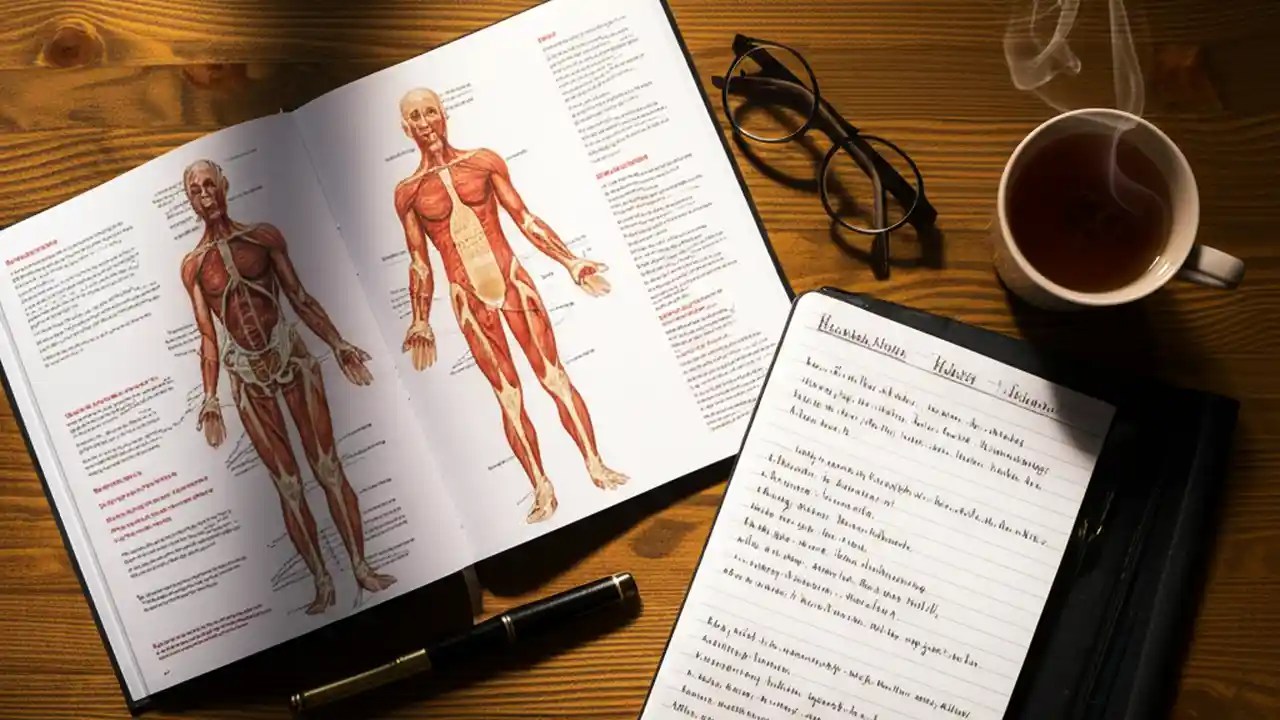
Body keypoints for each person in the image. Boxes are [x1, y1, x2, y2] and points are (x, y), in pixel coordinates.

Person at [394, 88, 627, 523]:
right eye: (415, 117)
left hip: (514, 283)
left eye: (430, 112)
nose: (425, 122)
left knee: (555, 378)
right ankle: (542, 487)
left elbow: (524, 217)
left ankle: (595, 466)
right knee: (508, 396)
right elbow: (419, 262)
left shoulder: (483, 161)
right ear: (404, 127)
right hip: (468, 299)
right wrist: (421, 319)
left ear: (444, 114)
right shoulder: (408, 192)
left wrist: (570, 260)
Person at [180, 159, 395, 614]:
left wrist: (337, 344)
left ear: (224, 185)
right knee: (288, 484)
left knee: (328, 466)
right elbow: (206, 335)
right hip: (245, 371)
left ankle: (360, 567)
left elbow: (298, 296)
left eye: (208, 184)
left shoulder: (262, 237)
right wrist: (210, 396)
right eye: (194, 189)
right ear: (189, 201)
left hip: (290, 354)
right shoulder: (194, 266)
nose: (203, 193)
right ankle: (322, 583)